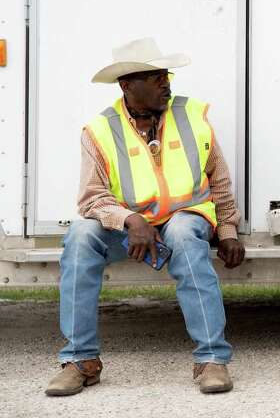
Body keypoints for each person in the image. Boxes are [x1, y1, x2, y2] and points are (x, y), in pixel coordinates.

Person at [45, 38, 245, 397]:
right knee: (79, 236)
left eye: (165, 75)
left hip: (184, 217)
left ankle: (212, 358)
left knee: (184, 233)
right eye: (154, 77)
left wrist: (228, 229)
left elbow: (219, 177)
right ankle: (80, 361)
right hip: (131, 228)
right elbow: (92, 198)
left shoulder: (192, 115)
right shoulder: (100, 130)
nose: (165, 83)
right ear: (127, 85)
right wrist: (128, 220)